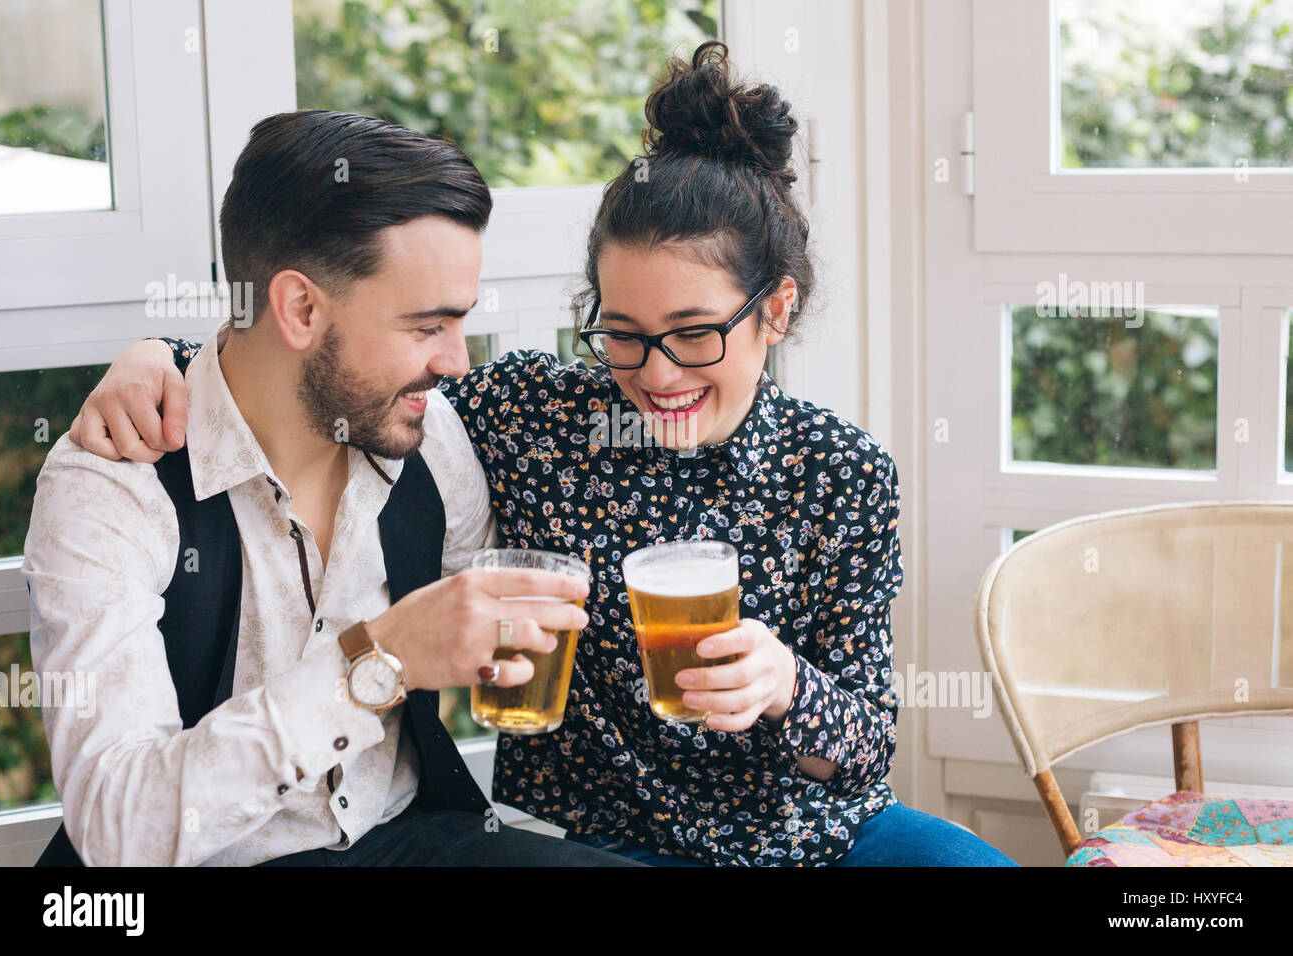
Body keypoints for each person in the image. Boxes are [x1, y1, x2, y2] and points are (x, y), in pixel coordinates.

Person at [70, 43, 1016, 866]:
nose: (654, 373)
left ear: (775, 310)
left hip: (820, 832)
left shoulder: (841, 473)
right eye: (621, 333)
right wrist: (162, 356)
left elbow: (861, 748)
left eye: (692, 333)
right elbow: (301, 364)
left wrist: (786, 686)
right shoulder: (531, 414)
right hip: (611, 836)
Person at [23, 109, 642, 867]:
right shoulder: (113, 486)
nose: (457, 361)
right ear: (300, 308)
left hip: (406, 839)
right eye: (427, 327)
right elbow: (120, 831)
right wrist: (377, 664)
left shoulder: (430, 433)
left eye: (462, 323)